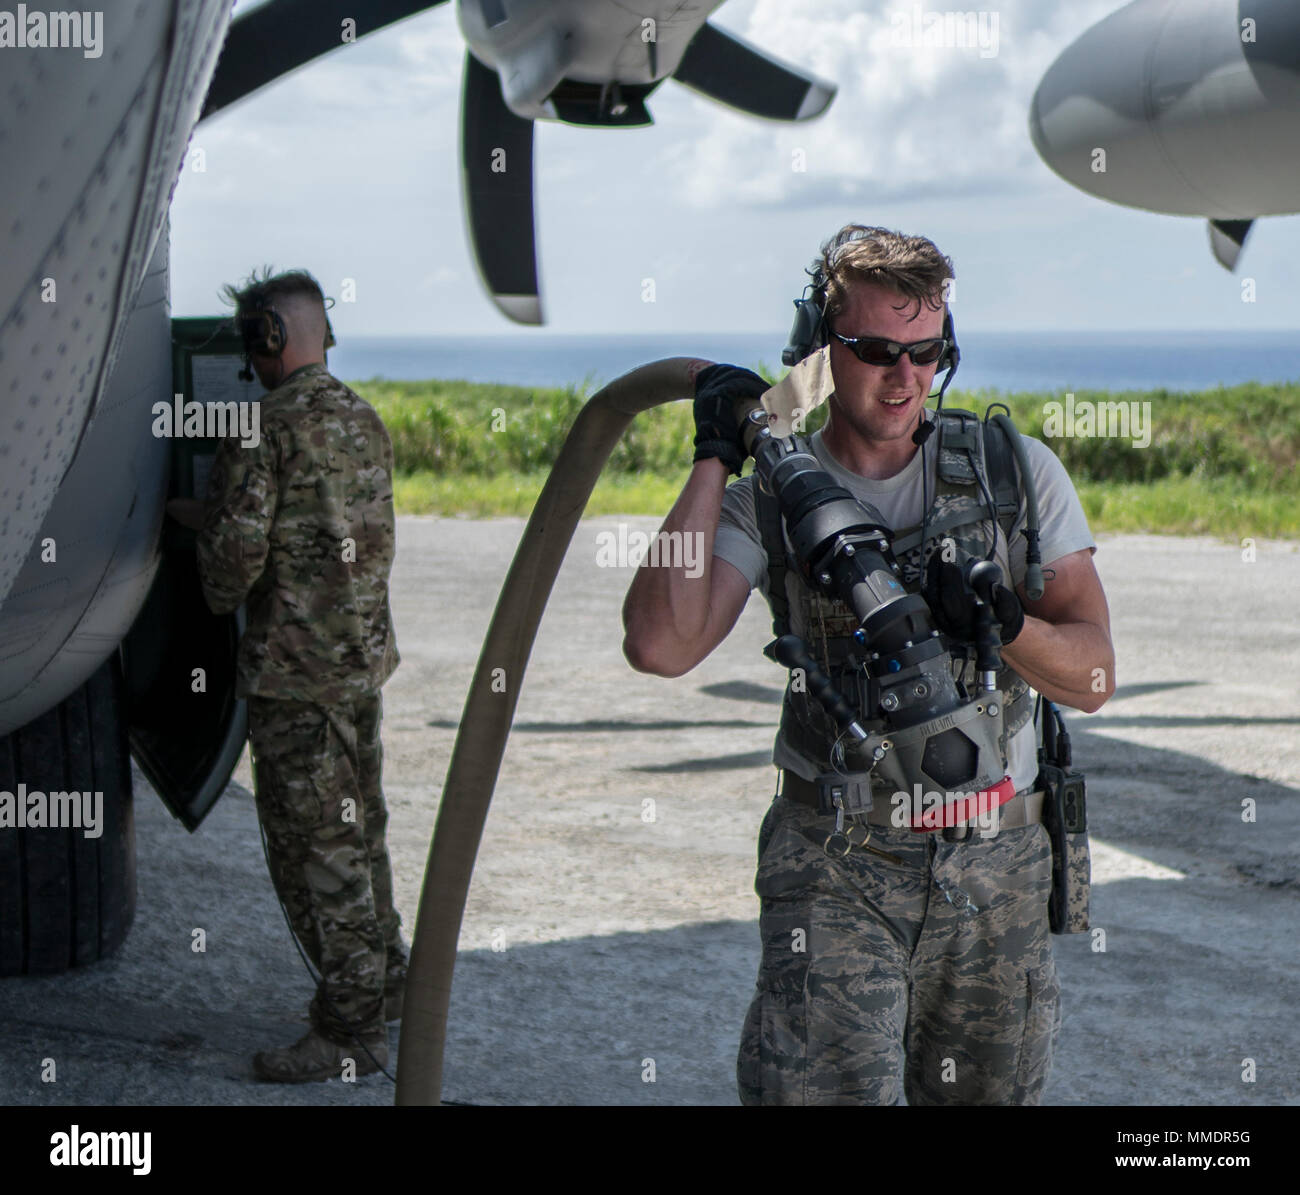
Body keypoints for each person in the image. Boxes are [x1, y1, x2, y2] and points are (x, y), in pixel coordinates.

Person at [621, 225, 1114, 1105]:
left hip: (996, 864)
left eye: (927, 353)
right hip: (839, 862)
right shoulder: (772, 491)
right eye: (876, 350)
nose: (905, 377)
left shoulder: (1013, 472)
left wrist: (1007, 628)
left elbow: (1096, 676)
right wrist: (715, 454)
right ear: (820, 349)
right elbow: (662, 644)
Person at [169, 269, 406, 1082]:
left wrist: (199, 537)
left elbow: (232, 571)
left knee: (314, 853)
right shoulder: (361, 418)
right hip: (355, 668)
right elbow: (329, 527)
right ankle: (387, 980)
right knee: (360, 831)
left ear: (266, 338)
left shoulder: (261, 428)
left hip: (293, 680)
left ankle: (350, 1029)